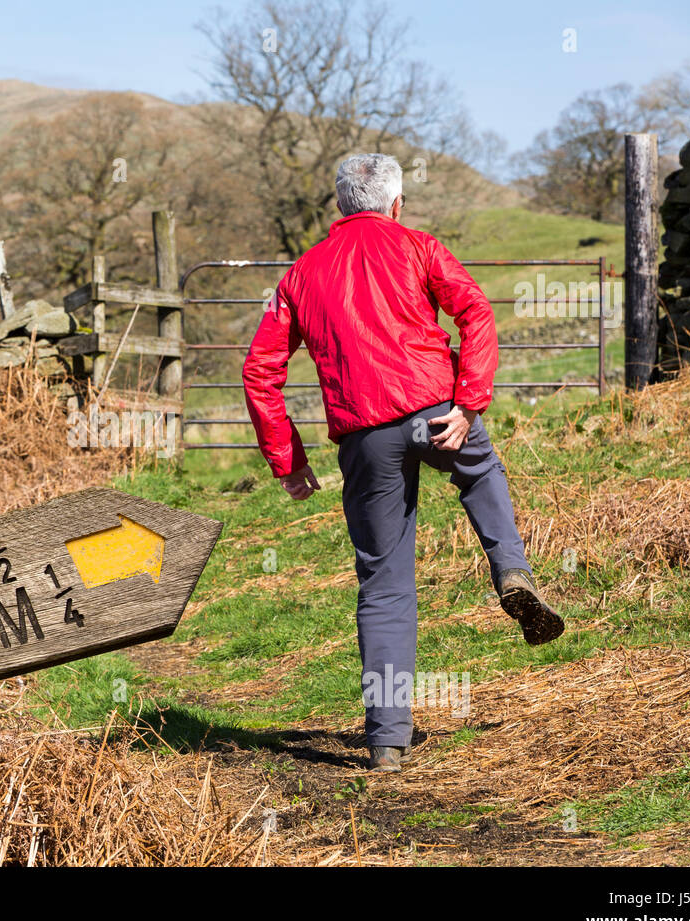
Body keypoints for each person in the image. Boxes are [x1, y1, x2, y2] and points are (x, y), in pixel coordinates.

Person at [242, 153, 564, 773]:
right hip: (436, 411)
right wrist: (469, 402)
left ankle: (387, 741)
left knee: (384, 585)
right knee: (479, 470)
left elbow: (260, 370)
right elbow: (475, 311)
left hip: (366, 440)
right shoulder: (419, 246)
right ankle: (510, 570)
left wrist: (287, 460)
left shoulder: (300, 274)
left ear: (341, 207)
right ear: (396, 205)